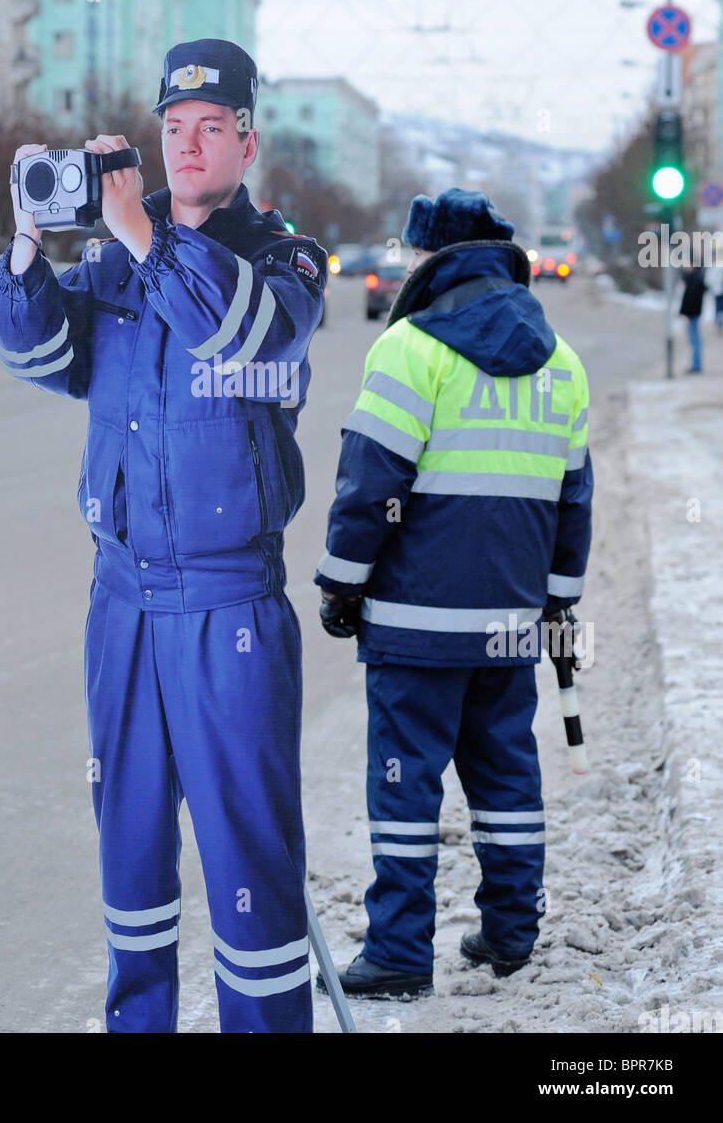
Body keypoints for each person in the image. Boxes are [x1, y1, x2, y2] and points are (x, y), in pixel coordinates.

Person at [0, 39, 328, 1033]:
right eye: (172, 130)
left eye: (210, 128)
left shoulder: (284, 258)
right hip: (124, 603)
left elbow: (241, 329)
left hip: (230, 609)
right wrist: (26, 249)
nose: (187, 146)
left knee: (248, 861)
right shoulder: (116, 259)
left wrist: (137, 231)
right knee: (130, 844)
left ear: (246, 142)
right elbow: (46, 355)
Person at [313, 188, 593, 998]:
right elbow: (573, 499)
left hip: (416, 622)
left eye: (408, 254)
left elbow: (370, 482)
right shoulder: (561, 361)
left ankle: (400, 953)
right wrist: (558, 600)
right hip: (510, 621)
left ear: (430, 258)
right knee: (505, 775)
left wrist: (341, 583)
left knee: (404, 782)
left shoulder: (409, 348)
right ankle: (510, 932)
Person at [679, 262, 706, 372]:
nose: (686, 267)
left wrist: (689, 313)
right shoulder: (693, 278)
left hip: (693, 315)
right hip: (692, 314)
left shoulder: (695, 280)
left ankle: (696, 365)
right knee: (694, 340)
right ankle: (696, 364)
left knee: (695, 340)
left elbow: (693, 300)